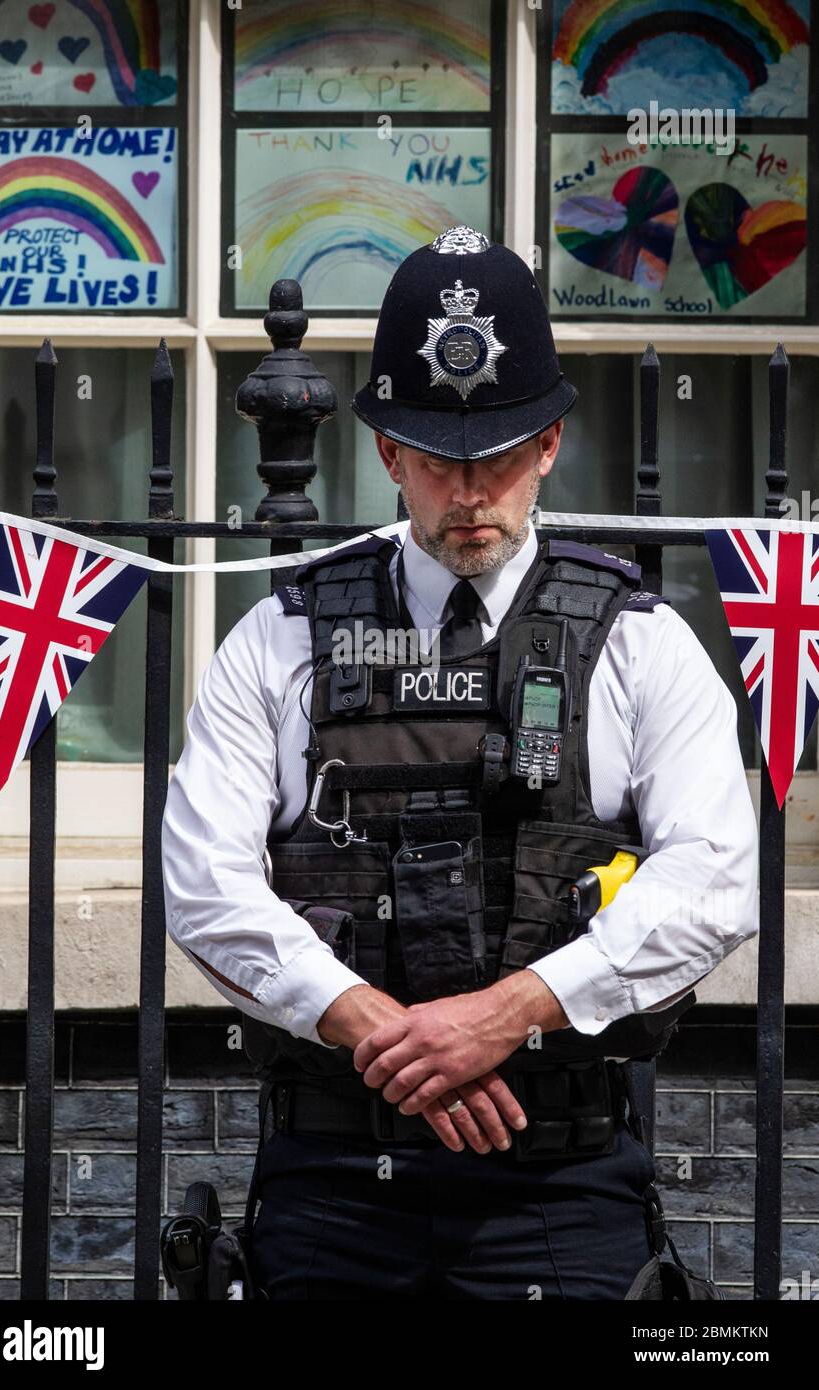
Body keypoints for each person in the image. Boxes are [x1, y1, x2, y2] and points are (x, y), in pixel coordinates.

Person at [161, 225, 759, 1300]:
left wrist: (508, 1011)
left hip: (560, 1188)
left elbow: (713, 877)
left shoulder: (638, 642)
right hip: (335, 1181)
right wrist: (386, 1032)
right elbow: (204, 883)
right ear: (388, 454)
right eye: (438, 458)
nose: (469, 491)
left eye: (496, 456)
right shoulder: (281, 639)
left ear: (548, 447)